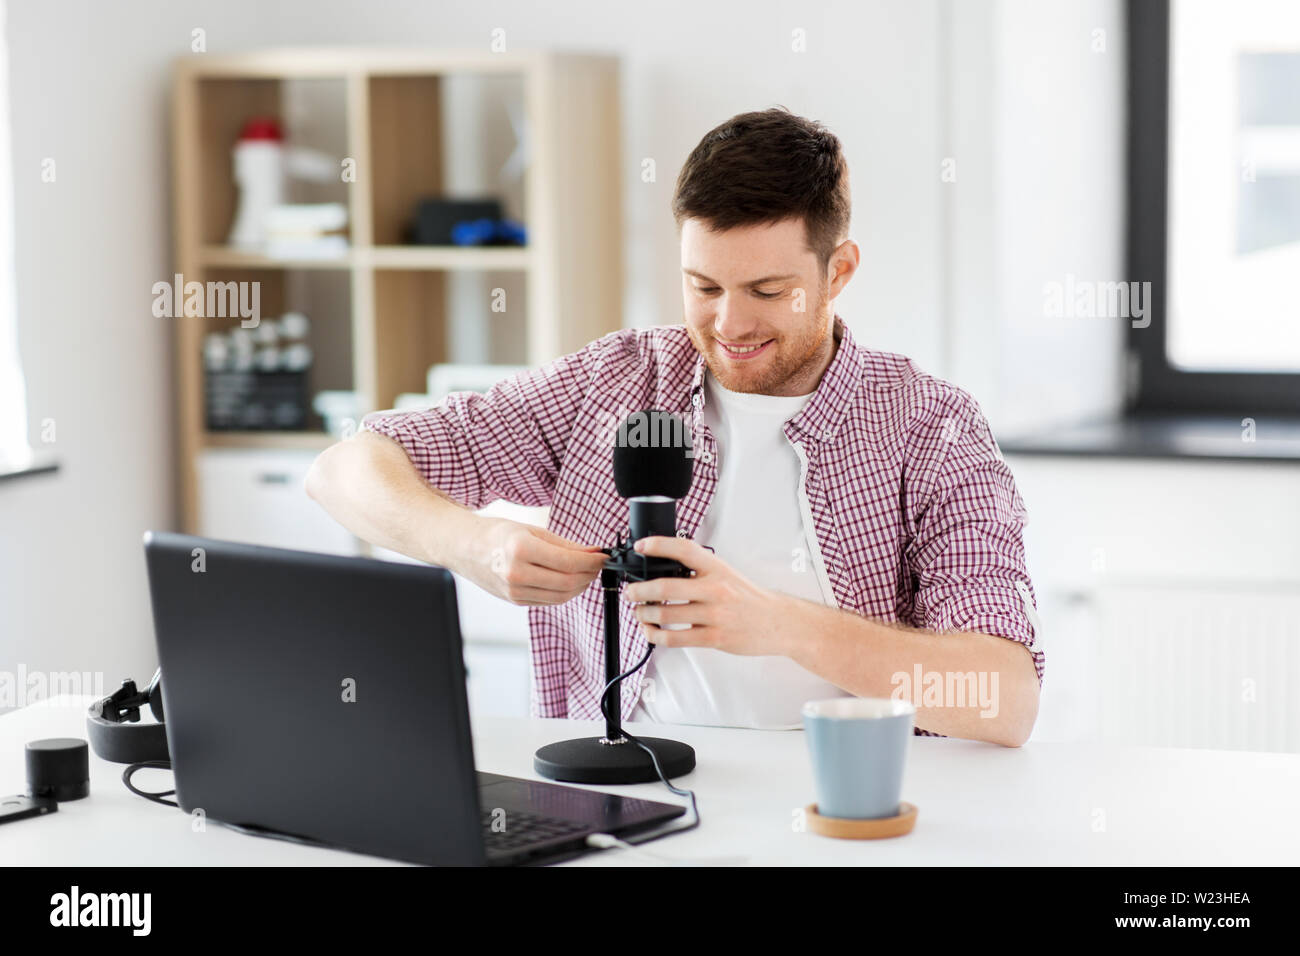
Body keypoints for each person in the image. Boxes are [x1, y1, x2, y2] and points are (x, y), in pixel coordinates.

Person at [306, 107, 1043, 746]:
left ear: (838, 272)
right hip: (629, 792)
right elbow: (343, 468)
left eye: (767, 290)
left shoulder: (929, 424)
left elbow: (1004, 701)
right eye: (704, 286)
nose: (729, 324)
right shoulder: (614, 381)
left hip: (843, 804)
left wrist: (778, 623)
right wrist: (472, 544)